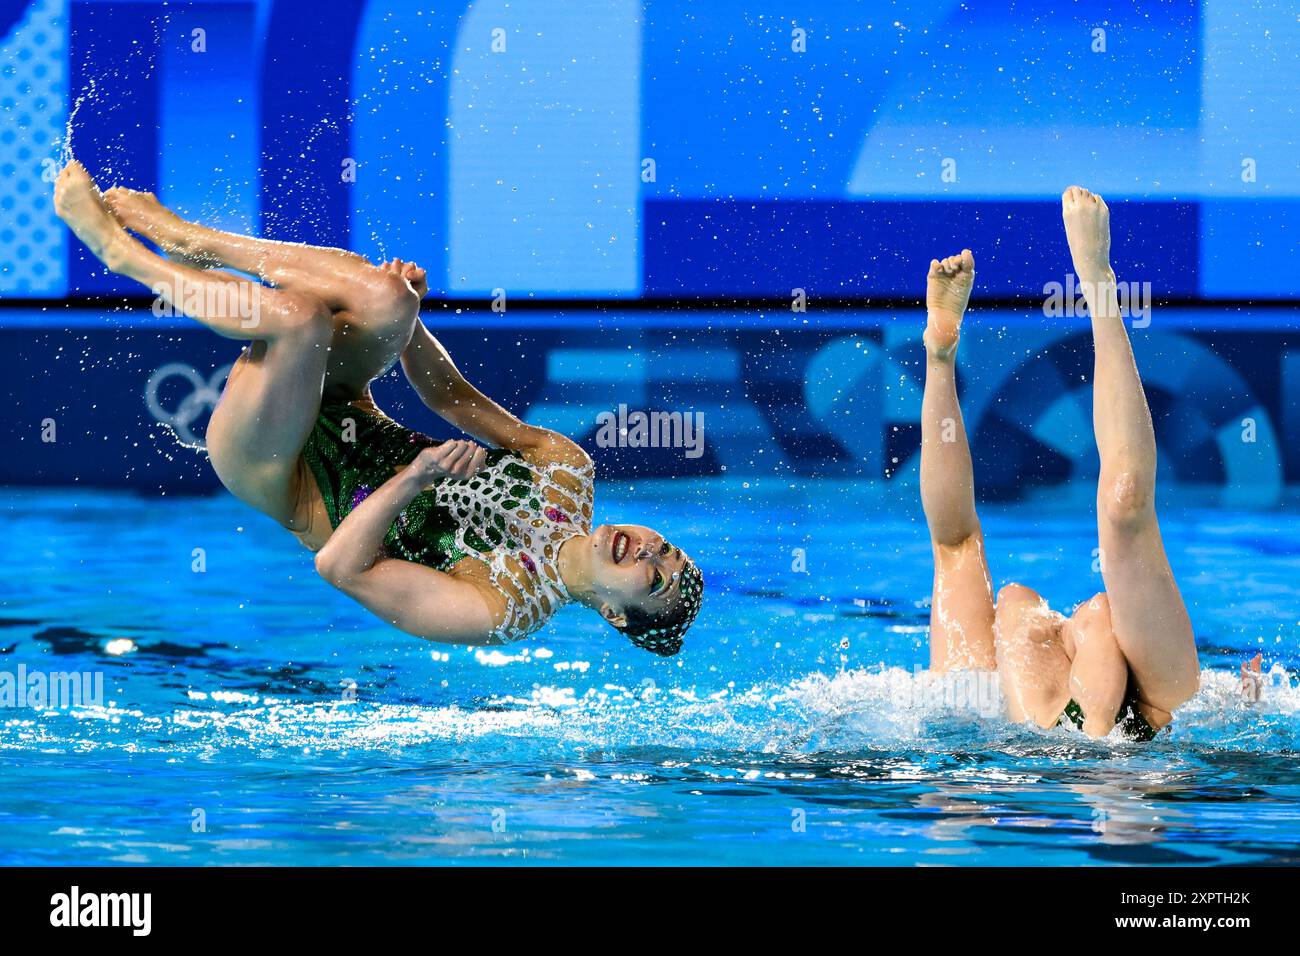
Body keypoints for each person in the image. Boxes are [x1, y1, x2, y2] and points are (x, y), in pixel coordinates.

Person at [53, 161, 703, 653]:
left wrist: (414, 478)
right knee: (387, 296)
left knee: (298, 319)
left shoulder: (501, 611)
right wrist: (412, 319)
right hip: (341, 401)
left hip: (280, 470)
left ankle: (121, 253)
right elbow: (449, 397)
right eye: (665, 549)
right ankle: (187, 236)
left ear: (616, 616)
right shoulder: (567, 470)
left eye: (653, 581)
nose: (647, 554)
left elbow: (339, 566)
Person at [919, 186, 1199, 739]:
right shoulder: (1143, 698)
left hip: (1077, 724)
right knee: (1118, 515)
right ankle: (1097, 288)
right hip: (1145, 714)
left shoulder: (974, 698)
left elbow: (953, 542)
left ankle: (942, 353)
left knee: (978, 567)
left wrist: (940, 359)